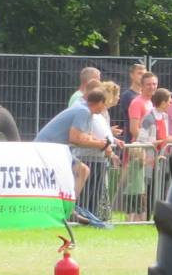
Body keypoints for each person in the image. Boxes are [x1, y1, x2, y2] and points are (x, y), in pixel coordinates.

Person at [36, 87, 118, 223]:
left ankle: (69, 208)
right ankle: (67, 209)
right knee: (82, 171)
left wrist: (98, 142)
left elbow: (85, 136)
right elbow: (75, 138)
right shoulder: (83, 111)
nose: (104, 109)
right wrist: (101, 145)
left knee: (83, 170)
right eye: (104, 104)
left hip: (54, 149)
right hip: (48, 149)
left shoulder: (84, 110)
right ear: (99, 103)